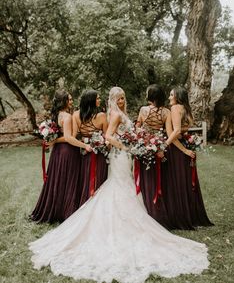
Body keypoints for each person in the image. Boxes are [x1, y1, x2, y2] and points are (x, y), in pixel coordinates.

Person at [29, 86, 209, 282]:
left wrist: (135, 140)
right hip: (120, 155)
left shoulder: (119, 113)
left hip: (125, 154)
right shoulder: (114, 114)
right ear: (113, 99)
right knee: (120, 184)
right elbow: (108, 137)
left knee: (128, 184)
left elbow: (126, 132)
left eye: (124, 98)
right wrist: (125, 147)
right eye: (120, 98)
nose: (123, 101)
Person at [136, 84, 196, 229]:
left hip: (144, 146)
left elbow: (137, 127)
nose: (169, 97)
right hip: (159, 146)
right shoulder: (167, 112)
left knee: (147, 178)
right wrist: (159, 143)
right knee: (160, 180)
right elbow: (170, 133)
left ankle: (147, 210)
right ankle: (158, 211)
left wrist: (142, 139)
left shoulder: (143, 110)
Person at [30, 90, 92, 223]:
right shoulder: (68, 117)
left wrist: (54, 141)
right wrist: (84, 145)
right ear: (63, 101)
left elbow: (59, 135)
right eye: (69, 99)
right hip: (68, 151)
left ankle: (57, 209)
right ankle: (66, 211)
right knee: (68, 180)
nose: (71, 101)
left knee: (59, 179)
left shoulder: (57, 115)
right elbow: (70, 138)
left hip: (58, 152)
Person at [164, 86, 213, 230]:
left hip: (178, 149)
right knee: (186, 182)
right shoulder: (187, 109)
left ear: (177, 96)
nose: (169, 97)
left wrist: (166, 145)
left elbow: (177, 131)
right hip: (185, 145)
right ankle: (190, 214)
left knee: (177, 182)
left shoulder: (175, 108)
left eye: (171, 95)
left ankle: (180, 216)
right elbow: (184, 130)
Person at [72, 89, 108, 207]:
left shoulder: (76, 115)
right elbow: (107, 137)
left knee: (87, 180)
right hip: (98, 155)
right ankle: (97, 207)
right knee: (98, 181)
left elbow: (74, 137)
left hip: (85, 154)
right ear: (91, 100)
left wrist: (84, 143)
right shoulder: (102, 116)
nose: (99, 100)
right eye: (97, 98)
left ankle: (87, 206)